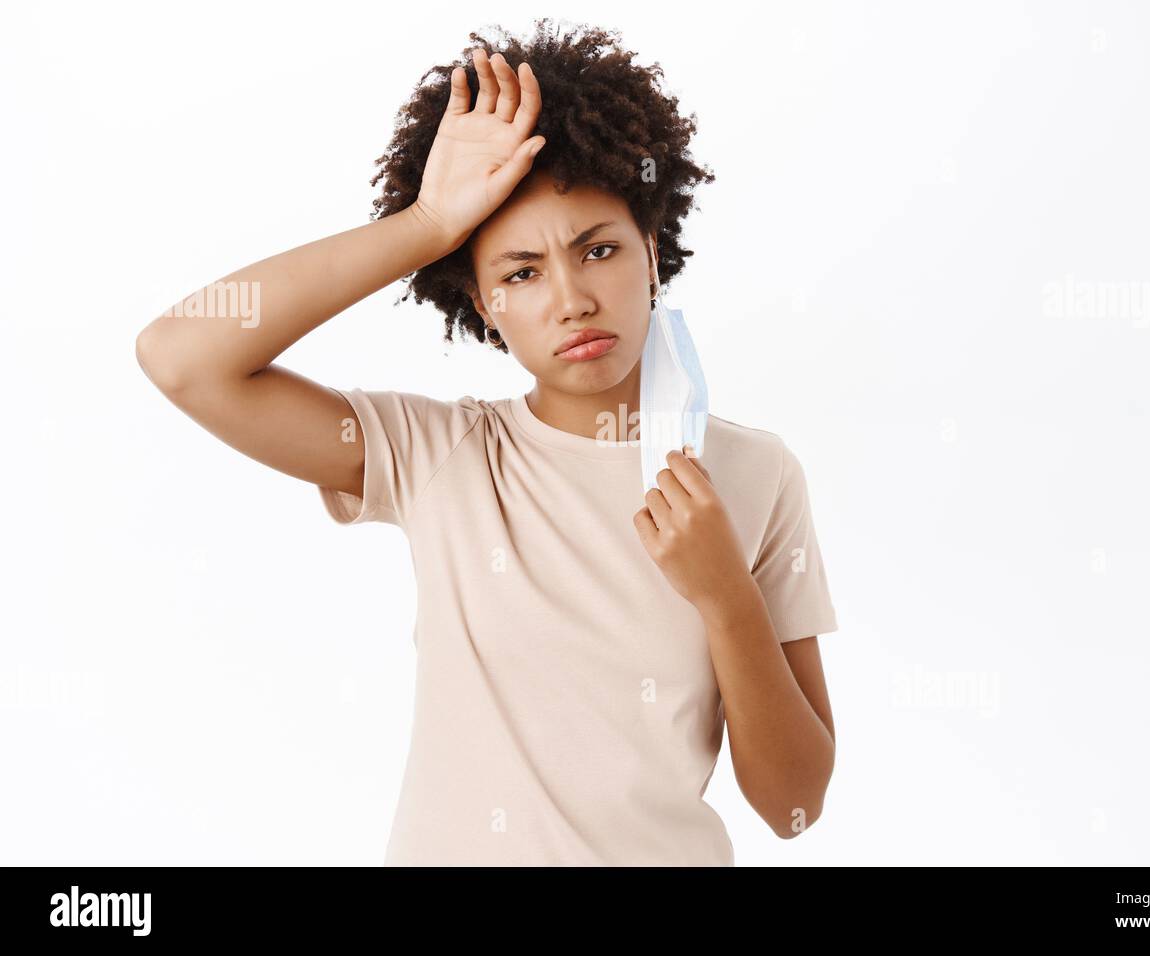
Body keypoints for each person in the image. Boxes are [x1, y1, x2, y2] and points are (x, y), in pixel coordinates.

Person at [135, 18, 839, 866]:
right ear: (481, 305)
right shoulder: (439, 455)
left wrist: (726, 595)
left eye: (601, 250)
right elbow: (182, 359)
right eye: (520, 273)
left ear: (652, 252)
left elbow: (794, 804)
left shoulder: (755, 475)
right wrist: (428, 223)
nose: (572, 298)